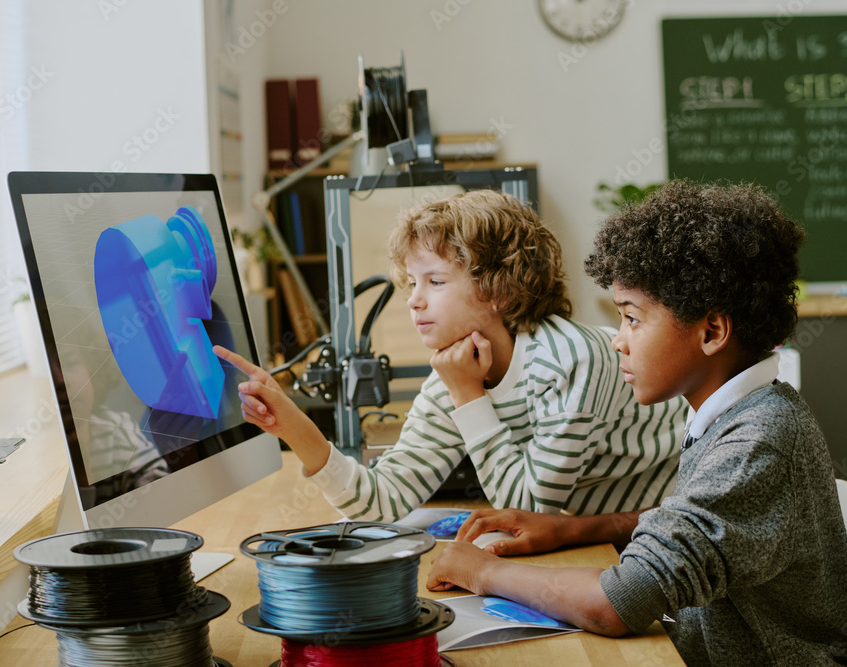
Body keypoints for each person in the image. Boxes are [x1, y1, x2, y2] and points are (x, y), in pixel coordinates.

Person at [426, 180, 847, 664]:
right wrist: (570, 531)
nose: (619, 341)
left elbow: (615, 603)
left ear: (712, 331)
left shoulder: (758, 441)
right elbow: (696, 523)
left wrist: (480, 573)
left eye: (632, 319)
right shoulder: (733, 412)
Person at [214, 189, 685, 522]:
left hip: (676, 513)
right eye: (412, 283)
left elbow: (528, 510)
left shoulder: (569, 360)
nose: (414, 300)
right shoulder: (453, 376)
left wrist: (468, 396)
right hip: (609, 528)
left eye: (435, 282)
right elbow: (382, 501)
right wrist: (291, 424)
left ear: (500, 291)